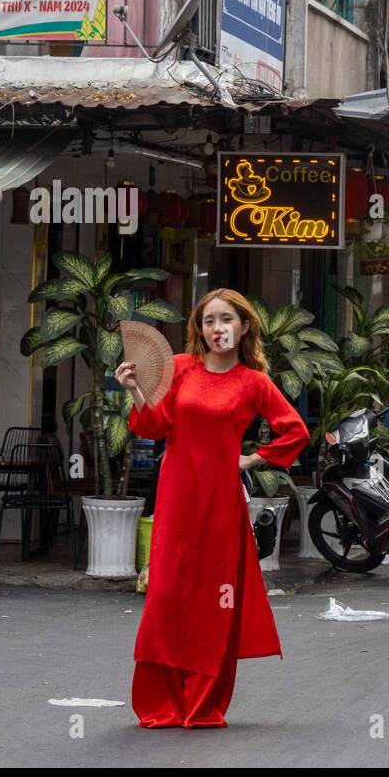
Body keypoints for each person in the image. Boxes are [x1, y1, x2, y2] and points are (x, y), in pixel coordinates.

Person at [118, 289, 310, 729]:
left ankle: (202, 704)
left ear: (244, 327)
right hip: (176, 495)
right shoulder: (181, 368)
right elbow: (155, 425)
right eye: (208, 321)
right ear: (199, 329)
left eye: (226, 320)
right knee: (166, 597)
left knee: (214, 601)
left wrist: (252, 458)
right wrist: (133, 389)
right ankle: (162, 704)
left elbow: (294, 432)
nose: (217, 328)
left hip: (220, 502)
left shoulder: (253, 382)